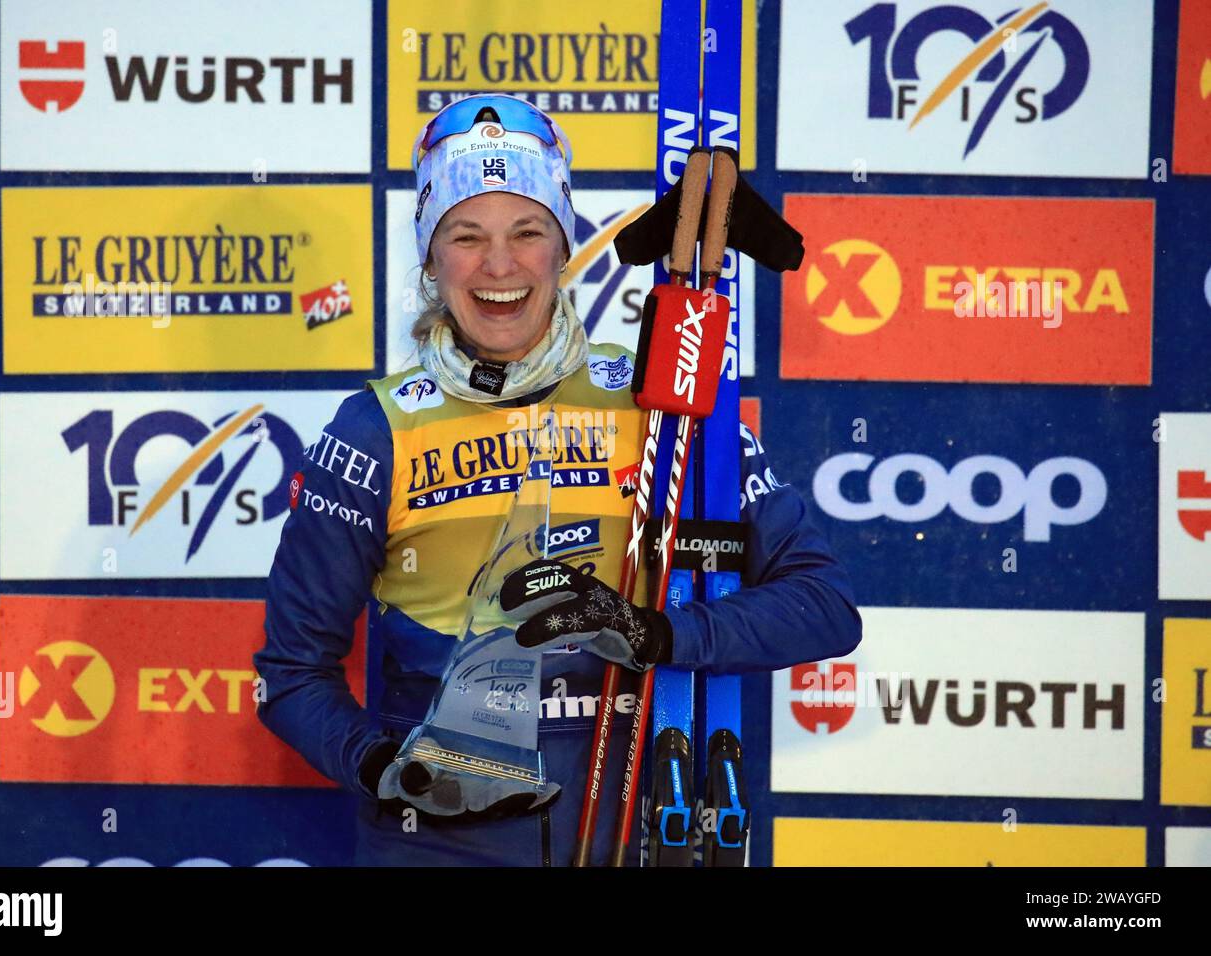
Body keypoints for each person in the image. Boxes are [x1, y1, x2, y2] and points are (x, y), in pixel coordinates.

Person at [254, 94, 862, 866]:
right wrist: (384, 769)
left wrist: (657, 635)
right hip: (439, 847)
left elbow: (825, 607)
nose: (499, 265)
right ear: (431, 256)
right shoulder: (374, 432)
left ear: (563, 245)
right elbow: (290, 675)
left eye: (527, 232)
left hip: (630, 828)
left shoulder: (658, 405)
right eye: (466, 235)